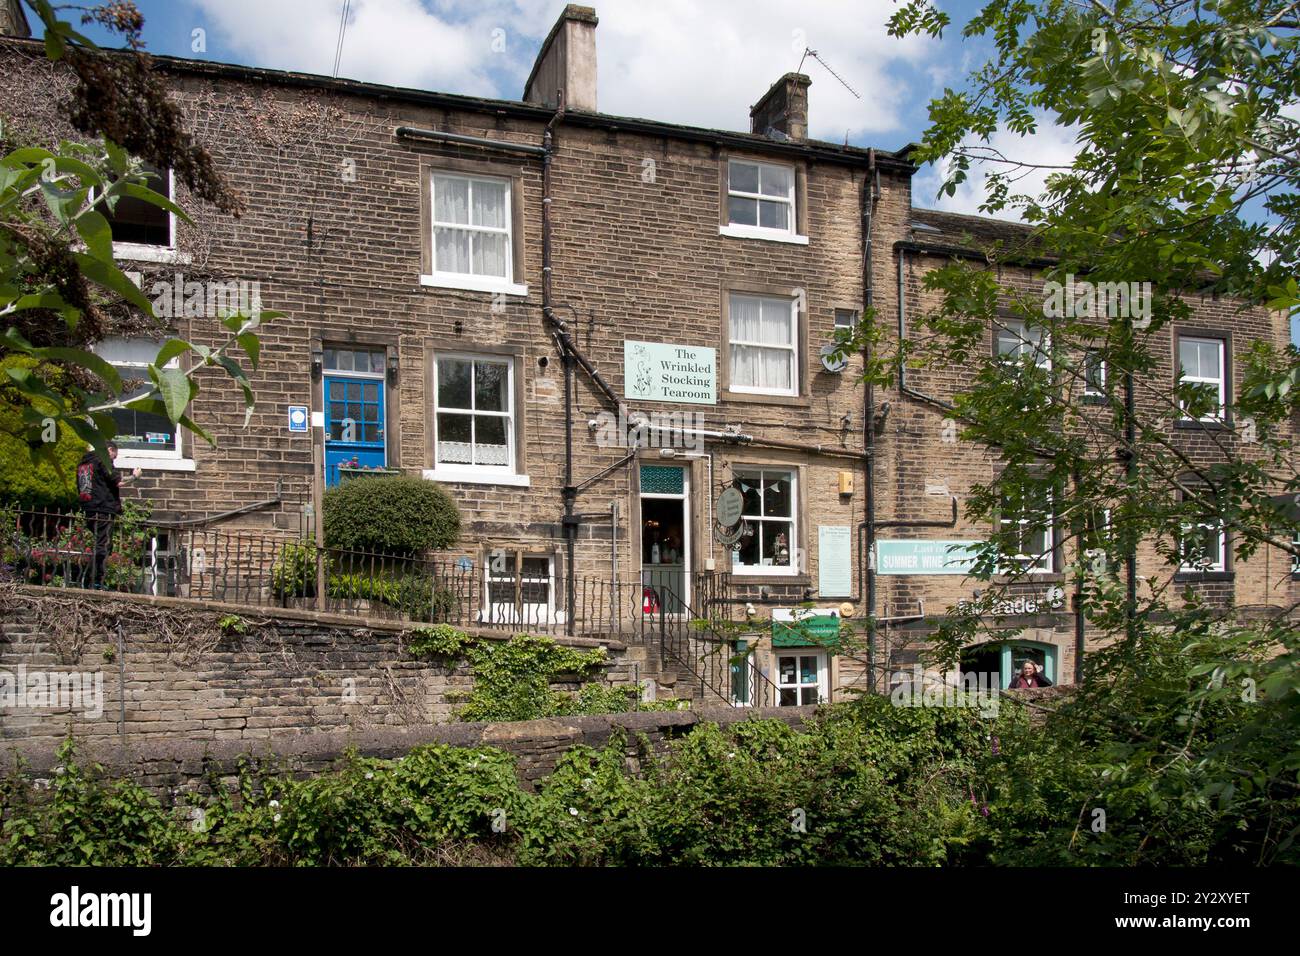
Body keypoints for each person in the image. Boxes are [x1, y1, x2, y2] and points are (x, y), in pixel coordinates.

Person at [76, 443, 140, 589]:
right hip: (103, 509)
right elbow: (120, 482)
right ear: (110, 450)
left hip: (88, 508)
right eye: (114, 456)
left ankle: (91, 581)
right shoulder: (102, 459)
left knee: (98, 544)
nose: (113, 460)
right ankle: (96, 582)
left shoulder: (84, 463)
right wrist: (135, 477)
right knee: (104, 546)